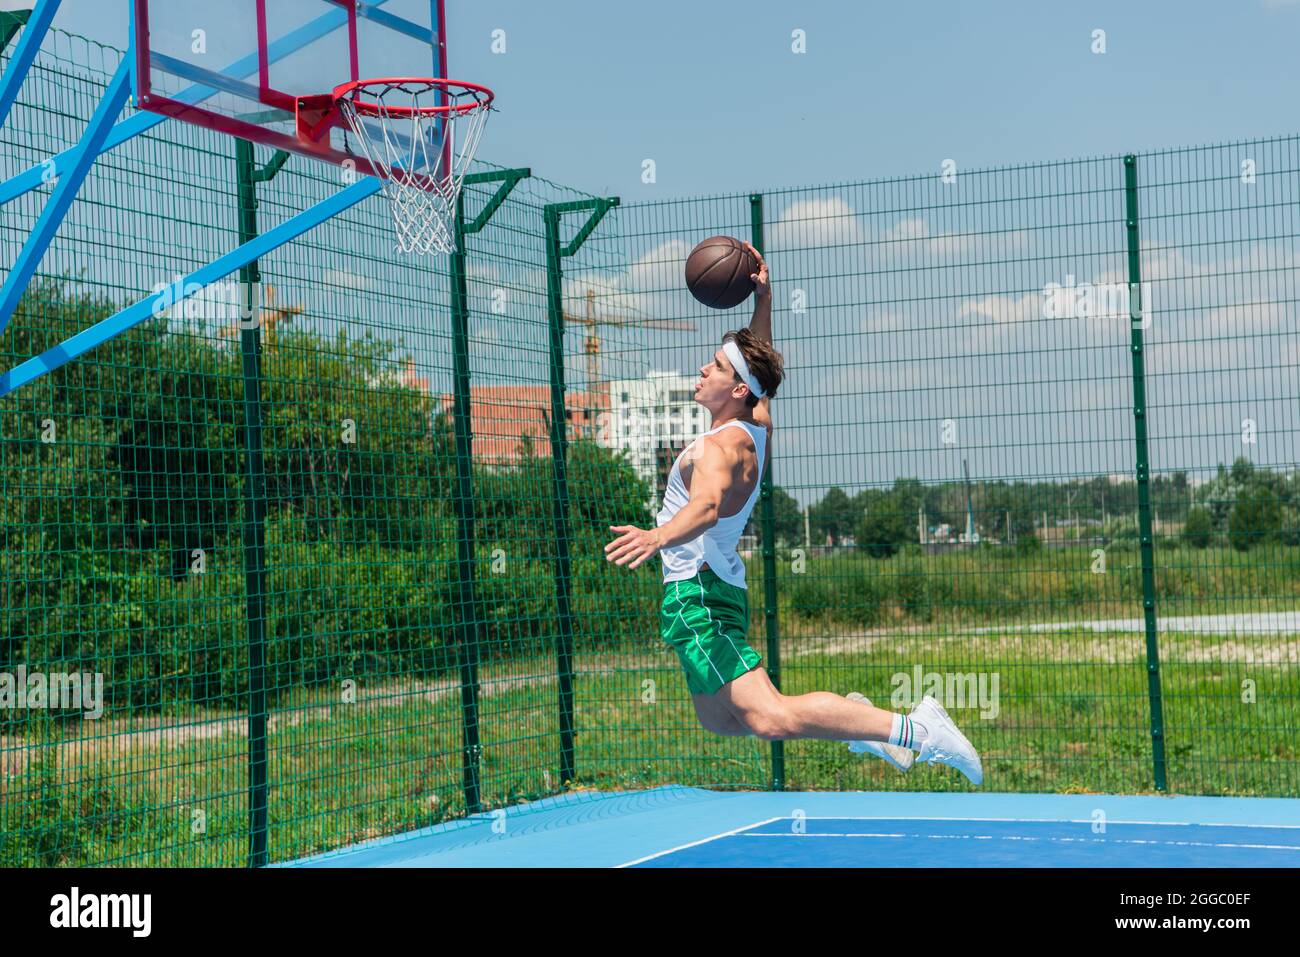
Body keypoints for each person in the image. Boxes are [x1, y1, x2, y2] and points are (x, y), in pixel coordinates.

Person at [603, 243, 982, 785]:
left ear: (733, 387)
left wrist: (657, 536)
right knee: (719, 720)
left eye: (712, 365)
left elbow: (707, 507)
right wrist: (764, 302)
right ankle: (862, 726)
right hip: (718, 587)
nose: (701, 369)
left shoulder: (718, 450)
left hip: (698, 593)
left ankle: (915, 730)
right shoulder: (754, 427)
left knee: (769, 716)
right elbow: (758, 376)